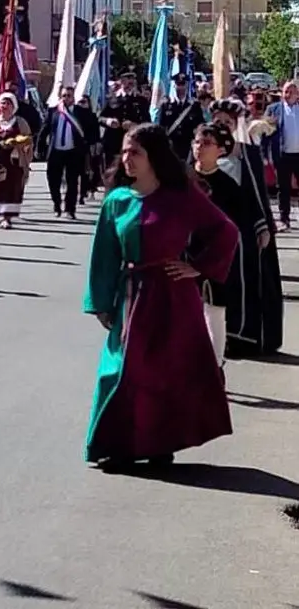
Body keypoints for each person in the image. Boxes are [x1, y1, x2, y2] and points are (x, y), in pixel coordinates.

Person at [83, 124, 238, 473]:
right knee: (120, 370)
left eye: (134, 152)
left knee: (165, 373)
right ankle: (118, 445)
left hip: (172, 297)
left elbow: (225, 231)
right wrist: (102, 303)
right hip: (131, 295)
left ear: (153, 156)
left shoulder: (182, 195)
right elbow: (104, 255)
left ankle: (159, 445)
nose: (127, 159)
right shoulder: (117, 201)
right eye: (124, 152)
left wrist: (198, 268)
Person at [209, 99, 284, 357]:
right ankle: (211, 338)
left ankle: (240, 335)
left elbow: (256, 195)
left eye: (227, 123)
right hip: (207, 230)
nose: (222, 127)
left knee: (241, 282)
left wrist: (262, 227)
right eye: (218, 122)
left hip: (239, 230)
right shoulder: (202, 149)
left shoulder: (247, 154)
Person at [191, 122, 266, 367]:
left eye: (207, 144)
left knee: (215, 311)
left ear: (220, 151)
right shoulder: (182, 180)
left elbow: (239, 220)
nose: (200, 148)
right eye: (198, 143)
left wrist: (260, 228)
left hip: (215, 257)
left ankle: (215, 364)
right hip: (183, 254)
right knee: (185, 313)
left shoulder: (227, 185)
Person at [37, 83, 99, 219]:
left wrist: (88, 142)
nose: (66, 98)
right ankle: (57, 204)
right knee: (53, 180)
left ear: (73, 98)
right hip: (56, 151)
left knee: (72, 182)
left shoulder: (82, 112)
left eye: (69, 96)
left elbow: (93, 129)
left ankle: (70, 209)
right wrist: (39, 147)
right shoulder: (53, 111)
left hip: (74, 152)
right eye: (64, 95)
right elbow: (44, 130)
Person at [0, 93, 33, 229]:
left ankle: (8, 217)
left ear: (13, 106)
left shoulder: (20, 122)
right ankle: (0, 214)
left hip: (14, 161)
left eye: (8, 103)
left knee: (13, 188)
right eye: (3, 103)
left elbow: (28, 140)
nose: (5, 106)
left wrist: (20, 144)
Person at [265, 81, 299, 230]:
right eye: (286, 92)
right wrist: (265, 155)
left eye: (291, 92)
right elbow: (265, 135)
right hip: (283, 155)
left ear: (297, 94)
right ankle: (284, 218)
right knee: (283, 188)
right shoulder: (273, 110)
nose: (288, 95)